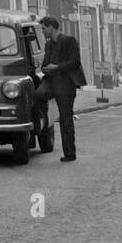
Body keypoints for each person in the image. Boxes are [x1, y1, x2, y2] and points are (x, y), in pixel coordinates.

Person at [36, 15, 87, 162]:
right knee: (37, 94)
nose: (43, 32)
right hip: (52, 81)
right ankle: (44, 119)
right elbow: (45, 63)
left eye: (43, 28)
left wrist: (57, 67)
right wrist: (45, 68)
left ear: (51, 27)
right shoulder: (48, 44)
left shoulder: (69, 40)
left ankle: (70, 154)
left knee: (65, 119)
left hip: (66, 83)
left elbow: (75, 62)